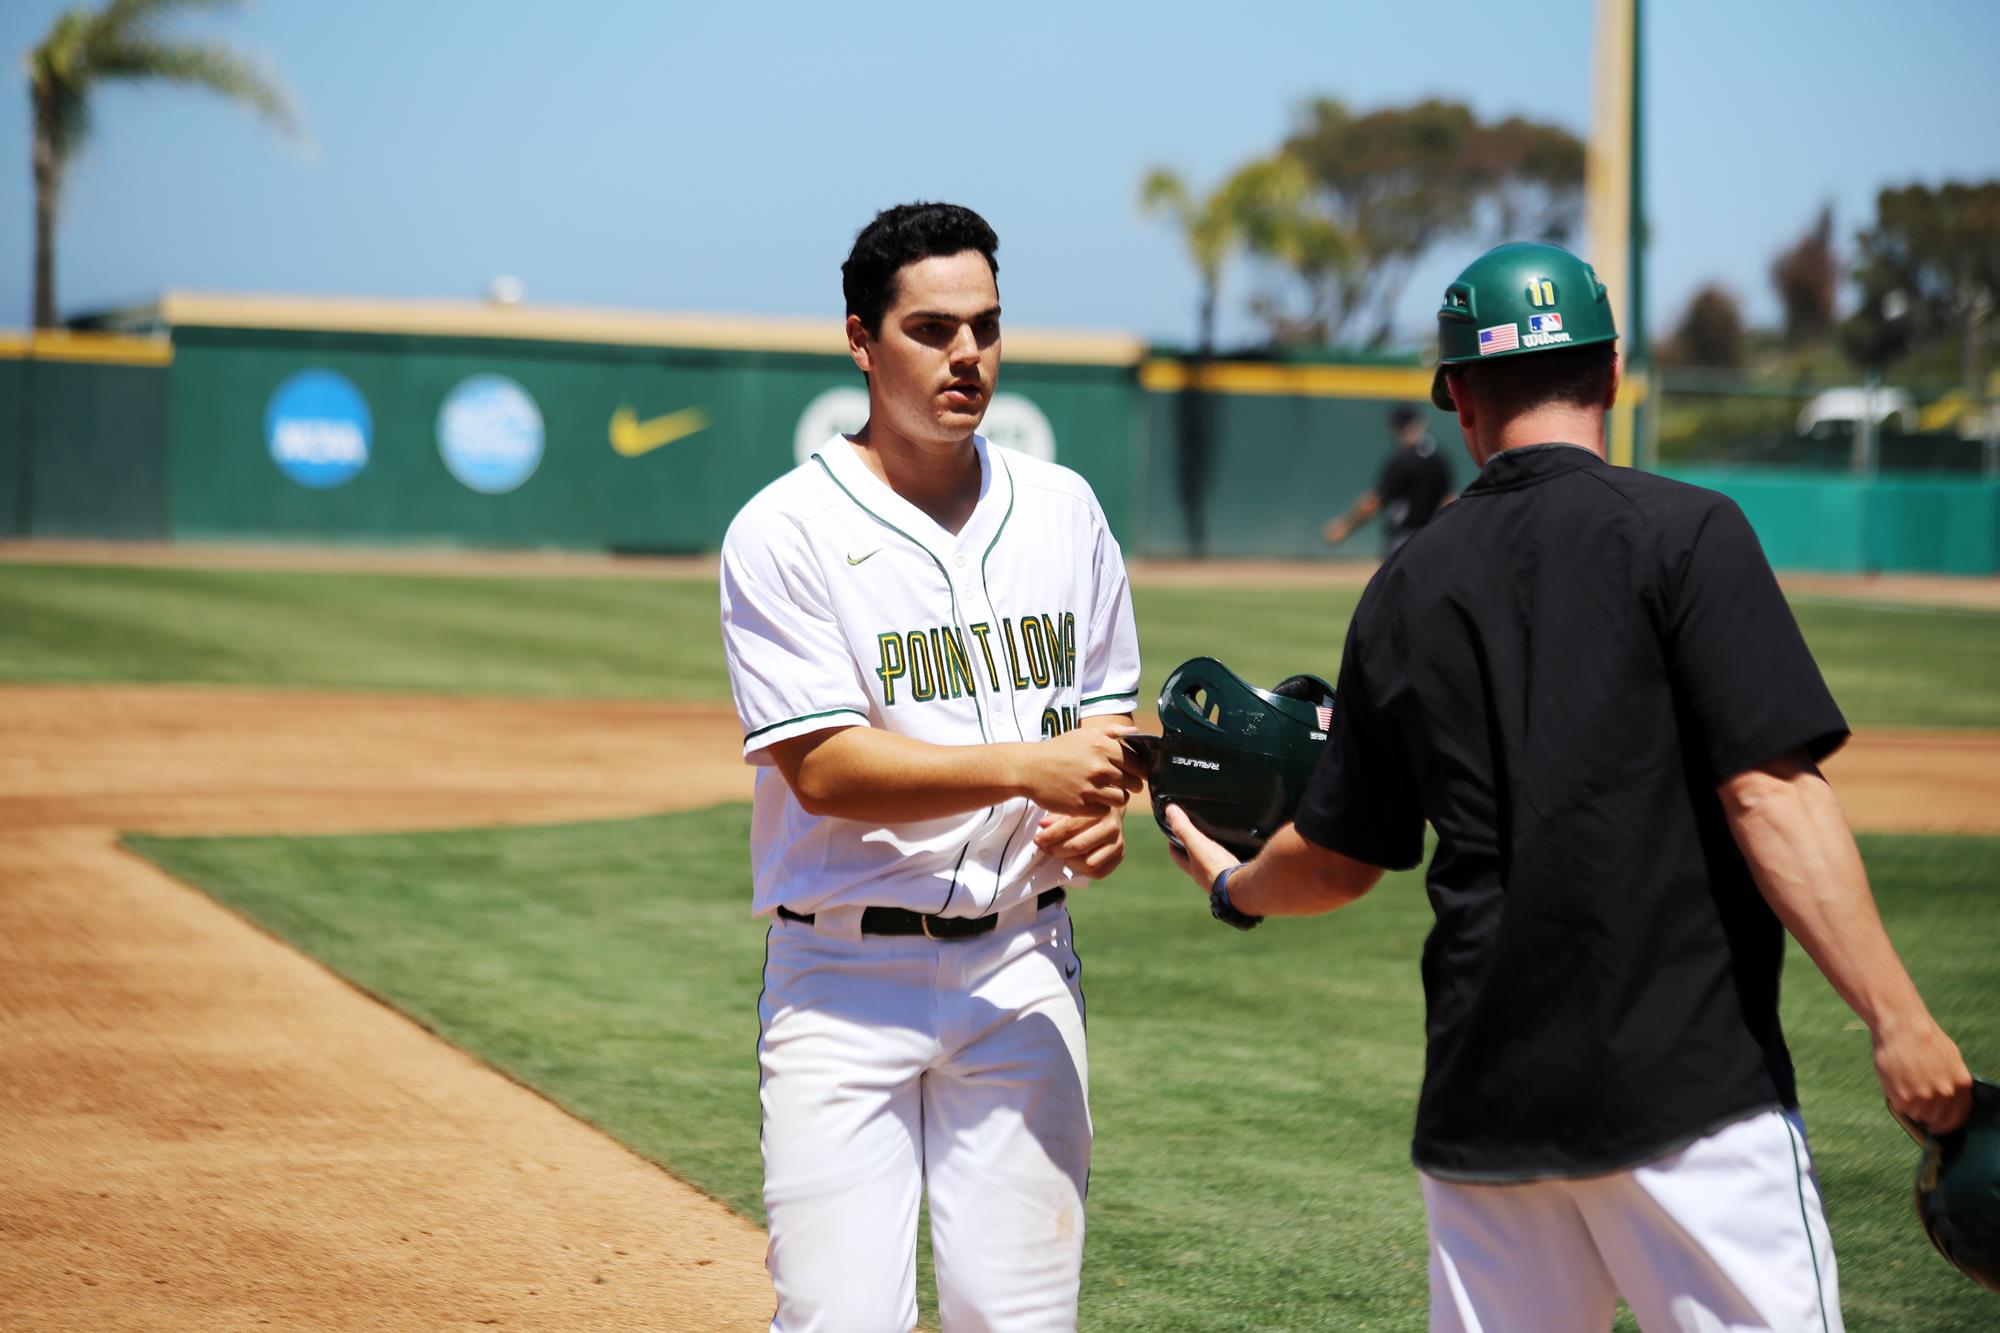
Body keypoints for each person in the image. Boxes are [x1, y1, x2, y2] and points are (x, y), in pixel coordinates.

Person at [1164, 240, 1973, 1332]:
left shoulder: (1403, 585)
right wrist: (1896, 1019)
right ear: (1611, 370)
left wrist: (1230, 887)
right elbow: (1769, 797)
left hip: (1481, 1115)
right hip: (1687, 1097)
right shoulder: (1687, 533)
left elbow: (1337, 861)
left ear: (1455, 396)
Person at [718, 201, 1146, 1331]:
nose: (967, 353)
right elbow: (823, 766)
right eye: (931, 328)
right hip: (841, 983)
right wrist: (1026, 768)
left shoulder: (1063, 510)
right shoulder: (785, 528)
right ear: (860, 338)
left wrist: (1103, 813)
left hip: (1022, 967)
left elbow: (1104, 725)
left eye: (986, 326)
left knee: (1018, 1320)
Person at [1321, 404, 1454, 557]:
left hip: (1404, 540)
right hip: (1432, 539)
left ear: (1398, 428)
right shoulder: (1440, 459)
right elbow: (1449, 501)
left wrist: (1345, 525)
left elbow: (1373, 502)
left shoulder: (1401, 460)